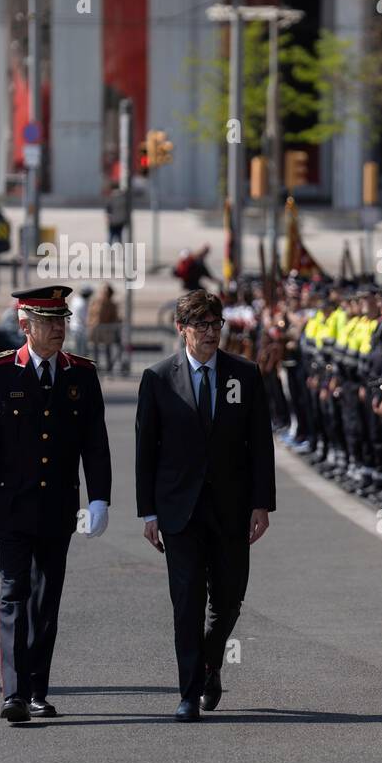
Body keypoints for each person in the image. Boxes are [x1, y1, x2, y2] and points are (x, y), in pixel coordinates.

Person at [0, 285, 112, 723]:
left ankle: (37, 690)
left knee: (46, 601)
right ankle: (13, 693)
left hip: (58, 506)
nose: (58, 329)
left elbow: (94, 443)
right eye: (48, 322)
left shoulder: (81, 373)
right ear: (24, 325)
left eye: (62, 321)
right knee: (14, 594)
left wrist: (99, 496)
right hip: (9, 504)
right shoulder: (0, 371)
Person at [135, 289, 277, 722]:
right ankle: (188, 691)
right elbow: (146, 450)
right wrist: (149, 512)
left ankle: (211, 662)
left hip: (232, 510)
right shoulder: (158, 378)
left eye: (216, 325)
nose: (211, 333)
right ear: (182, 330)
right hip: (180, 511)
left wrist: (261, 503)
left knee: (229, 598)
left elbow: (260, 446)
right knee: (187, 602)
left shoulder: (244, 375)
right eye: (202, 326)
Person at [88, 283, 122, 373]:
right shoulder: (96, 302)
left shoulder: (112, 305)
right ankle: (96, 365)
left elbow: (114, 317)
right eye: (103, 292)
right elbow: (91, 313)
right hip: (95, 328)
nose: (103, 294)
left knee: (108, 348)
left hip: (106, 330)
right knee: (95, 348)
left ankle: (108, 367)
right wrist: (90, 323)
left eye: (106, 292)